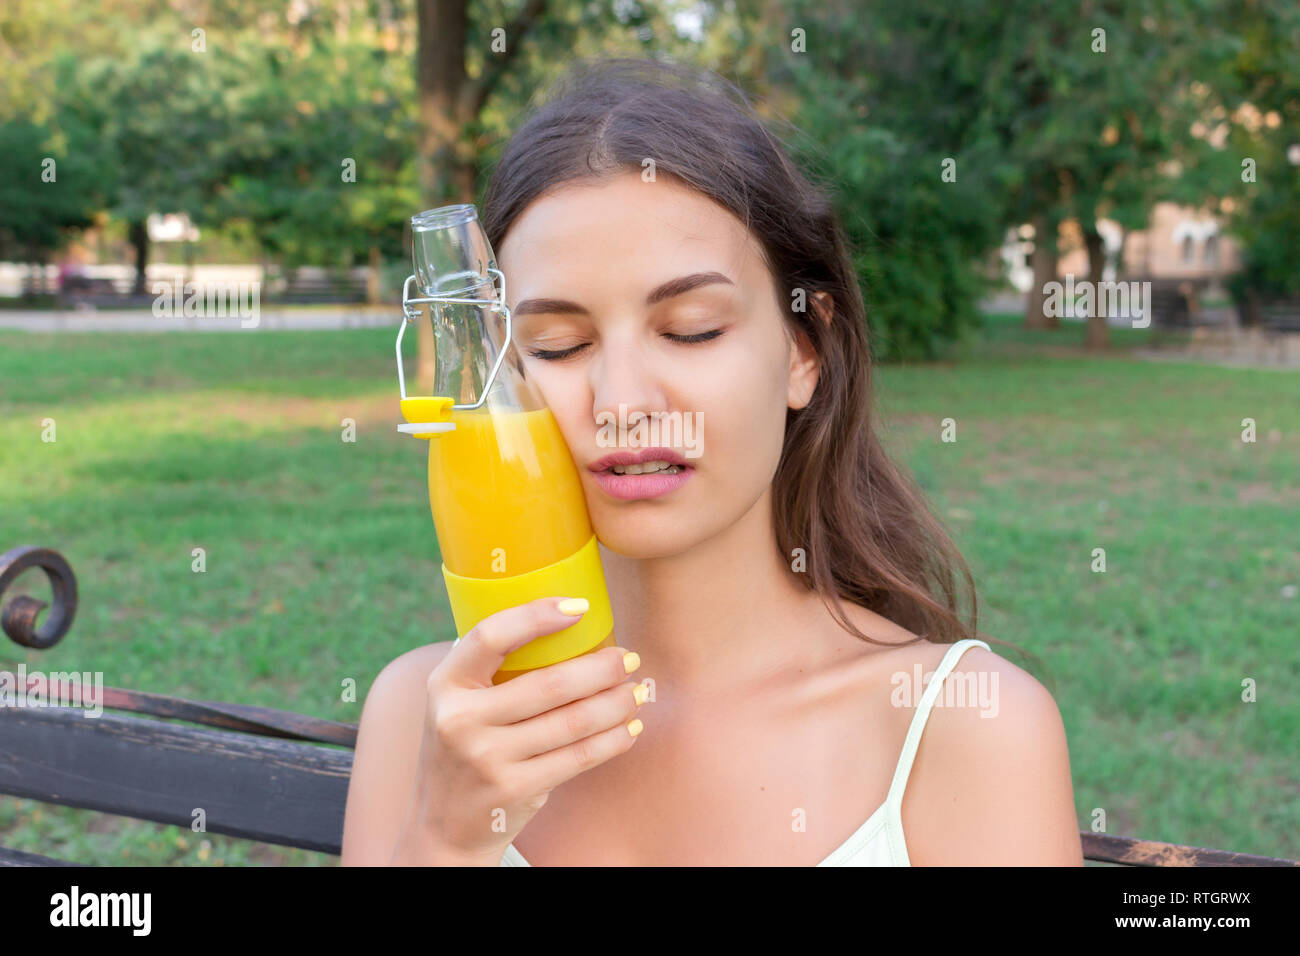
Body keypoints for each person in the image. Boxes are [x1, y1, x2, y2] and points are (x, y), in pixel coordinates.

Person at [341, 57, 1083, 866]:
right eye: (559, 344)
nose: (622, 400)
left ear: (805, 349)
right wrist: (445, 840)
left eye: (692, 329)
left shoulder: (967, 727)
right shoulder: (428, 717)